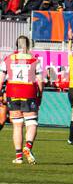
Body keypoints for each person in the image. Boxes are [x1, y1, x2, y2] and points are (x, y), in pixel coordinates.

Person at [2, 36, 42, 164]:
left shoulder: (7, 59)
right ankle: (28, 147)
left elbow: (1, 79)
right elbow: (40, 82)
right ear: (28, 46)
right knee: (32, 123)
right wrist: (40, 97)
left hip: (12, 92)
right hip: (28, 92)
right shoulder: (34, 60)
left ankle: (18, 157)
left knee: (17, 125)